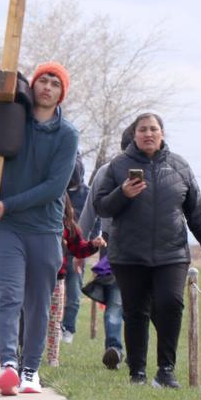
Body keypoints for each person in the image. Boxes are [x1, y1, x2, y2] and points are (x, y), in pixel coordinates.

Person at [0, 62, 79, 395]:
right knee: (9, 295)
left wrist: (10, 203)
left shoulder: (67, 134)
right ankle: (9, 366)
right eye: (42, 81)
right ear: (32, 87)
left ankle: (31, 369)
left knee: (38, 301)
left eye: (54, 83)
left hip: (45, 229)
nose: (47, 87)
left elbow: (54, 186)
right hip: (6, 228)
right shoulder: (15, 121)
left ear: (61, 94)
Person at [94, 112, 201, 388]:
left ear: (162, 133)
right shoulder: (118, 165)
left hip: (172, 253)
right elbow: (101, 206)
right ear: (135, 134)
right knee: (135, 311)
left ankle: (165, 371)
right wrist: (122, 193)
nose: (148, 134)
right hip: (129, 253)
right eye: (142, 130)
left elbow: (196, 210)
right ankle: (137, 372)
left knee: (170, 304)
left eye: (153, 129)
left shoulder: (180, 166)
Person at [77, 125, 135, 371]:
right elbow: (90, 211)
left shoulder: (158, 172)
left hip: (148, 249)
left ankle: (132, 353)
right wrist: (78, 248)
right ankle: (115, 349)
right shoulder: (105, 172)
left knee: (134, 306)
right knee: (116, 301)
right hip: (112, 247)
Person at [45, 194, 105, 367]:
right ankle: (26, 354)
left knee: (55, 321)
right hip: (35, 278)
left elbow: (79, 249)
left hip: (58, 278)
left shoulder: (68, 226)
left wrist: (93, 244)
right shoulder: (36, 223)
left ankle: (52, 359)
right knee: (33, 318)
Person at [61, 154, 89, 344]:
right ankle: (51, 327)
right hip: (57, 247)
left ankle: (68, 329)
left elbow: (94, 220)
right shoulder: (56, 187)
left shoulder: (86, 193)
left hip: (77, 248)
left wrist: (86, 246)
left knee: (74, 292)